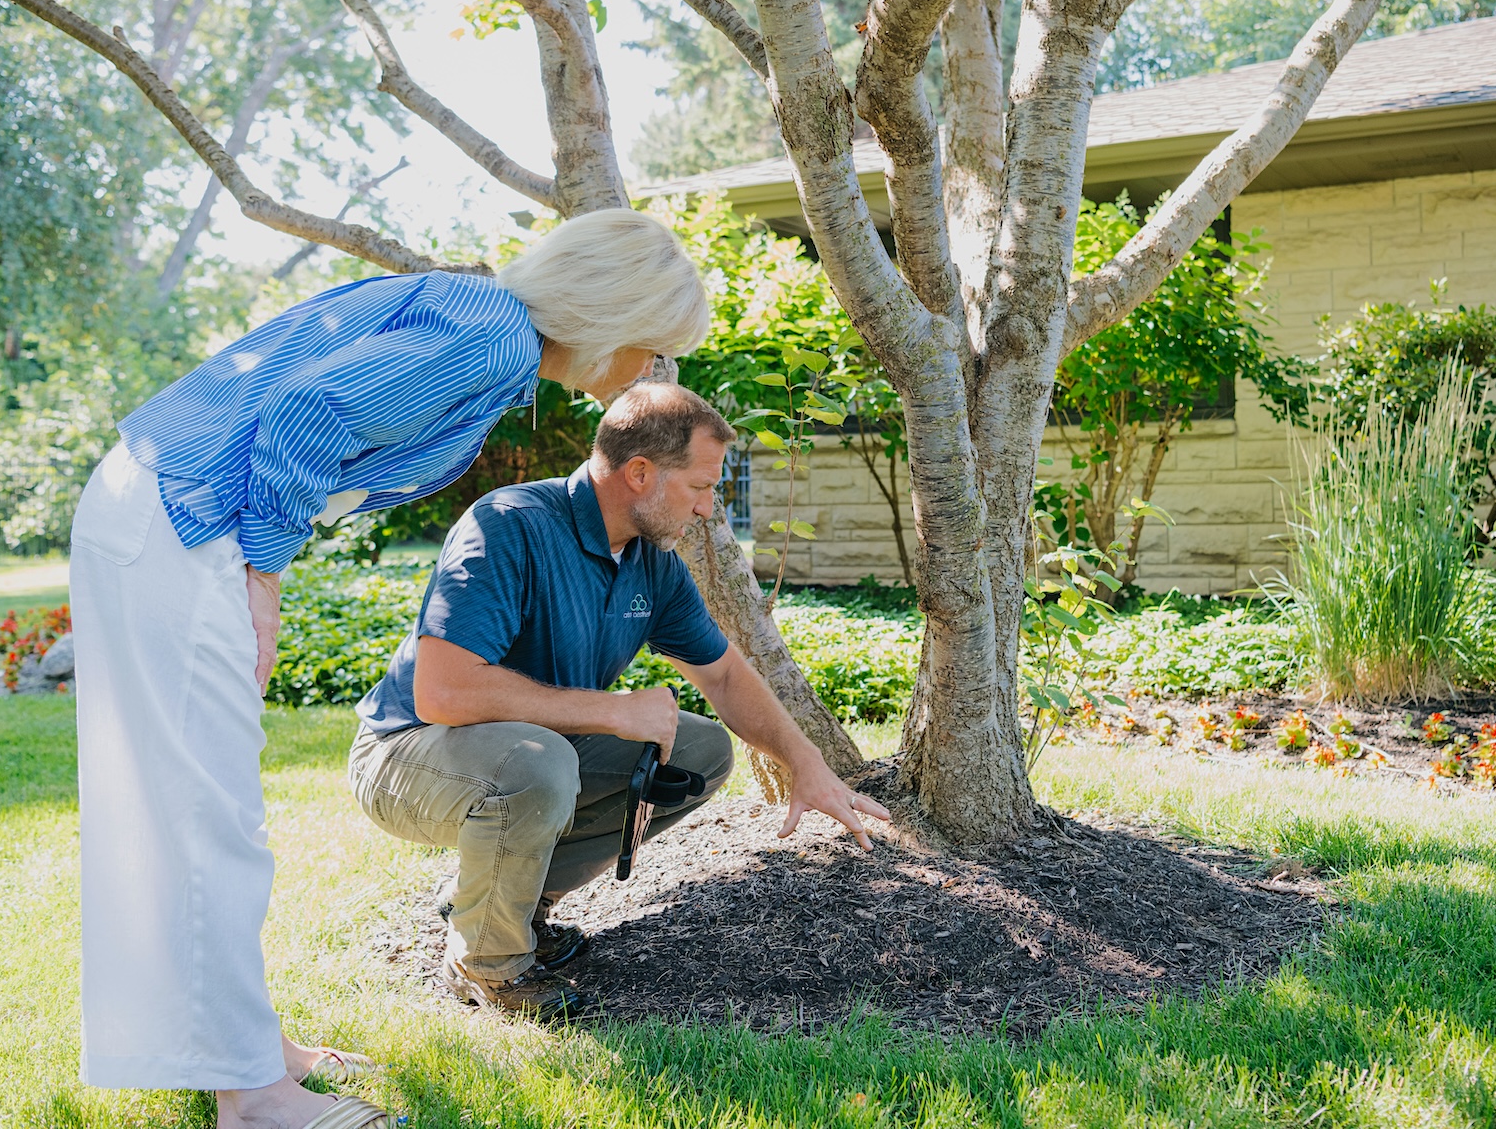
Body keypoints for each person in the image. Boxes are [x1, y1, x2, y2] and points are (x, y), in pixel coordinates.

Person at [68, 211, 710, 1129]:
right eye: (651, 350)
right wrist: (262, 572)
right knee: (208, 814)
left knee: (189, 805)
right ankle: (253, 1098)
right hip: (188, 527)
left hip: (161, 506)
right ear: (612, 316)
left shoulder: (482, 320)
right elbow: (310, 413)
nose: (646, 375)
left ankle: (240, 1050)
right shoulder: (494, 338)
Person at [347, 383, 890, 1012]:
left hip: (526, 749)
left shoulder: (650, 562)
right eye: (701, 487)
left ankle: (511, 903)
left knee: (698, 751)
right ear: (640, 473)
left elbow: (723, 676)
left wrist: (806, 763)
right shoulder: (508, 526)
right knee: (538, 764)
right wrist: (612, 710)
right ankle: (488, 965)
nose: (708, 510)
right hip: (405, 755)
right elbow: (443, 691)